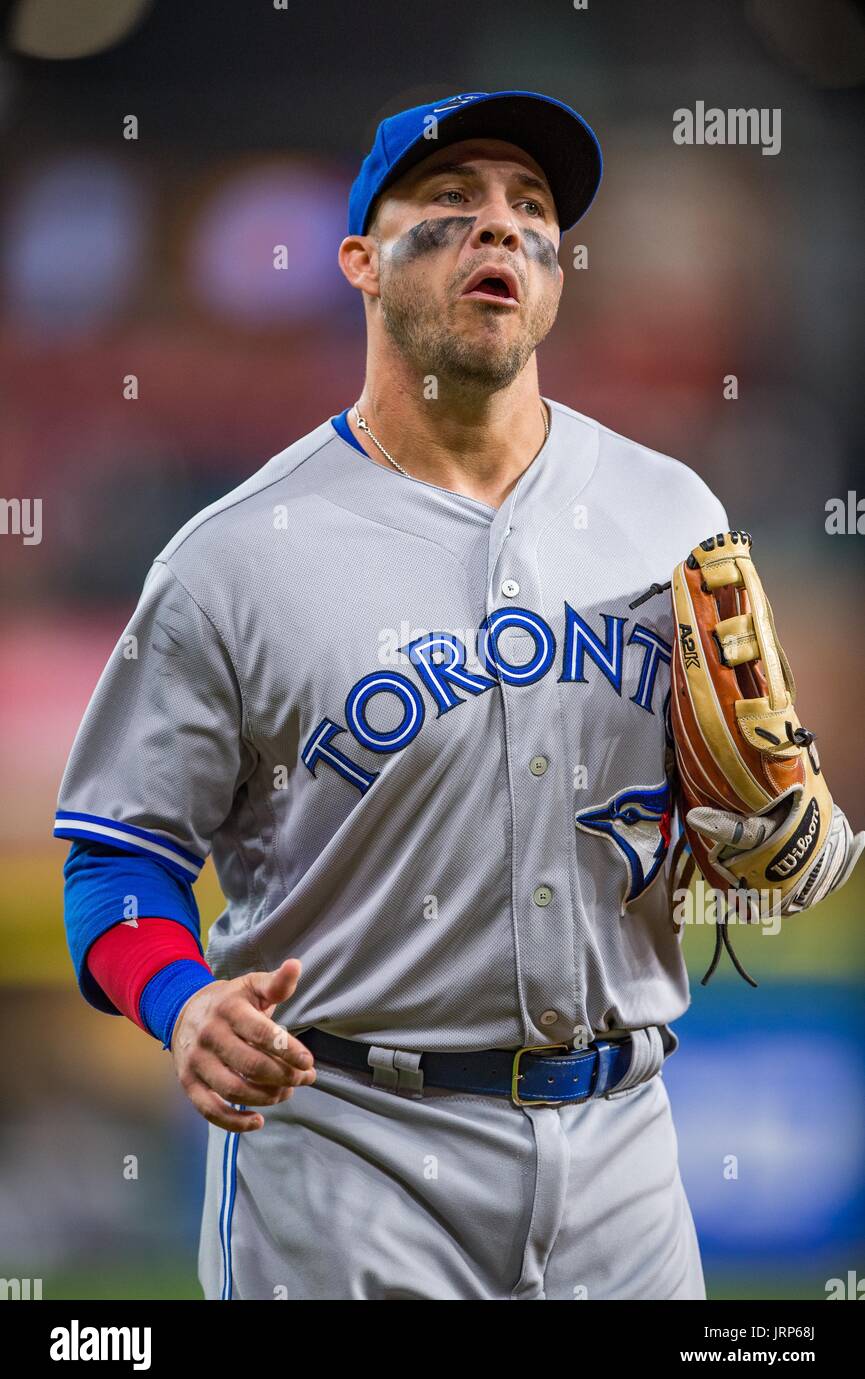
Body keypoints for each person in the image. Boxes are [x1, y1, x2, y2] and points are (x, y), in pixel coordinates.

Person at [54, 90, 858, 1301]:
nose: (500, 230)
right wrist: (180, 1003)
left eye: (529, 210)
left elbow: (737, 786)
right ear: (361, 263)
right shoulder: (232, 559)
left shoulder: (671, 515)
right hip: (345, 1145)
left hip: (624, 1153)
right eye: (452, 203)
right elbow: (112, 860)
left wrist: (765, 834)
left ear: (555, 277)